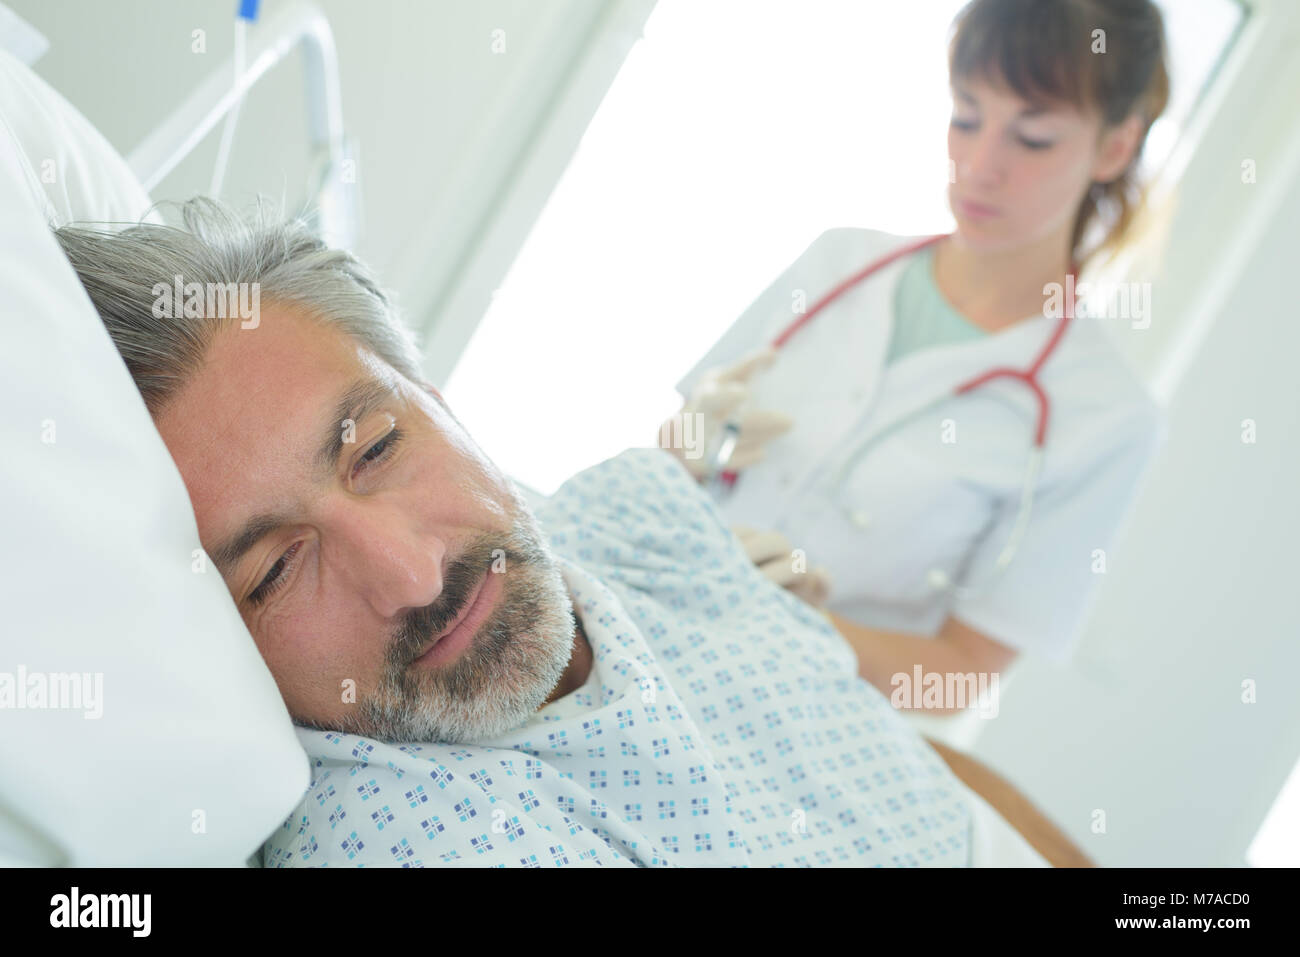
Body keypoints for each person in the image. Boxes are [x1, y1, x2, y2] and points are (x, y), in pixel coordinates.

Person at [54, 197, 1089, 867]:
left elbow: (907, 768)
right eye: (279, 570)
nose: (413, 575)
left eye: (374, 448)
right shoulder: (409, 836)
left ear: (439, 395)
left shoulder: (638, 521)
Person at [662, 0, 1170, 708]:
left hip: (795, 723)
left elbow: (961, 676)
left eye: (1033, 138)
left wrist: (813, 626)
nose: (980, 166)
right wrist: (684, 443)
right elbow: (666, 458)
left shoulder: (1105, 417)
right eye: (966, 117)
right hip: (642, 630)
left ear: (1114, 148)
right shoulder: (838, 261)